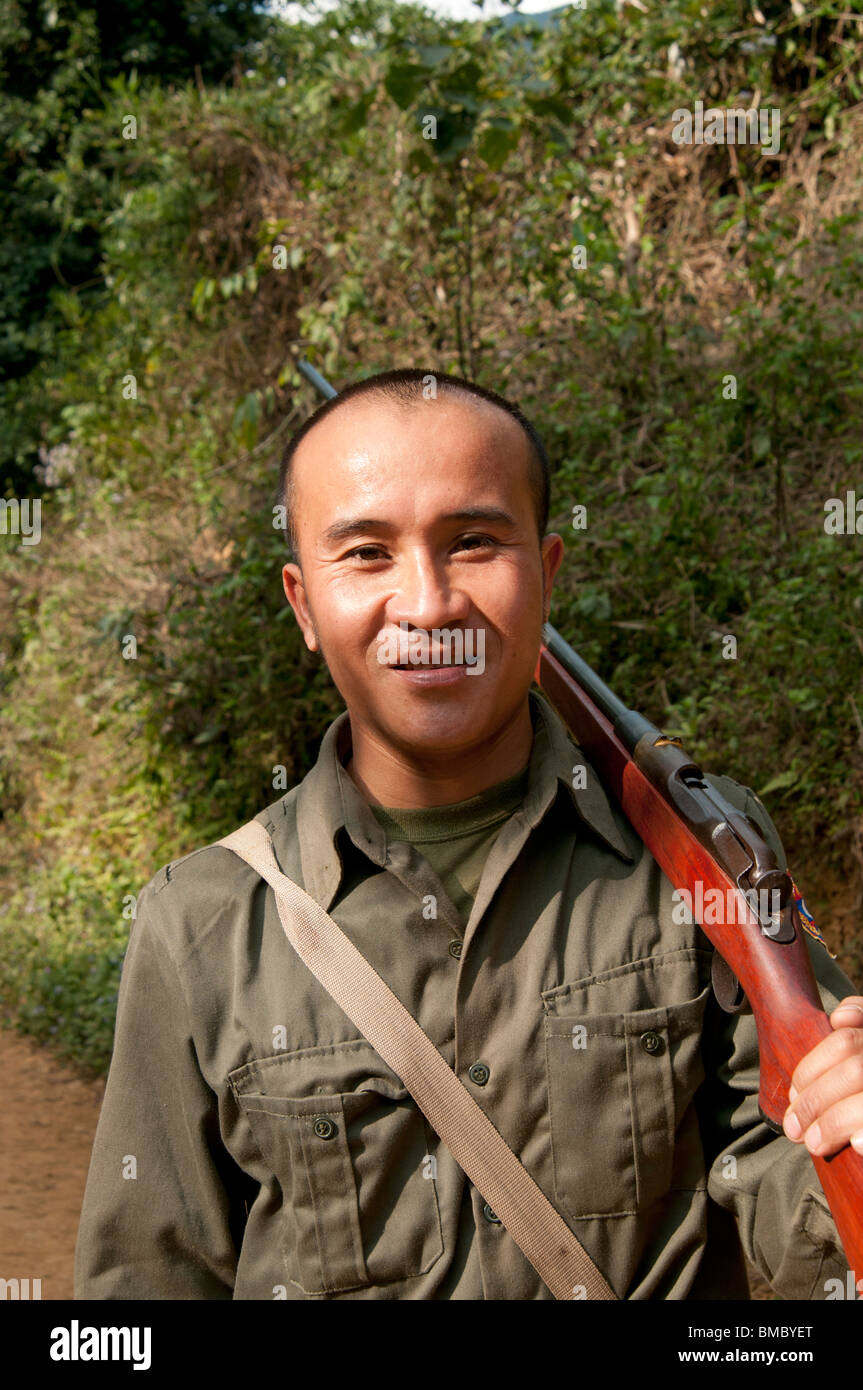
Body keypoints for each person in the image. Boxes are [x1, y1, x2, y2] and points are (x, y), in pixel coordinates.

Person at [74, 369, 863, 1300]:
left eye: (474, 542)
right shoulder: (200, 922)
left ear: (548, 571)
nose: (429, 603)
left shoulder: (700, 857)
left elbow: (800, 1226)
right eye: (366, 553)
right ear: (301, 605)